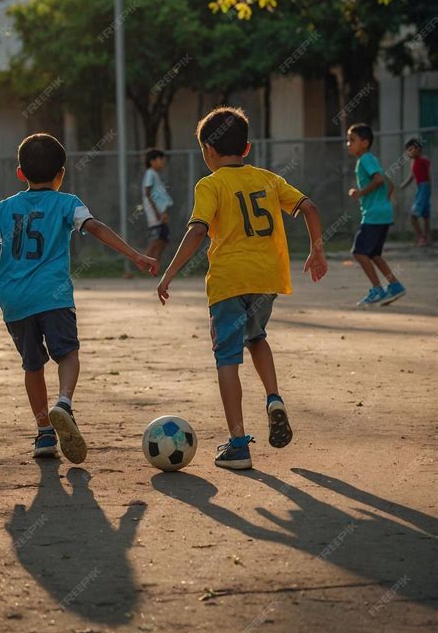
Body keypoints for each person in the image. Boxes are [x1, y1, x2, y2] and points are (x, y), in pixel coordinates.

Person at [156, 107, 328, 471]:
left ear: (208, 152)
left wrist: (169, 273)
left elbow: (198, 230)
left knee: (227, 359)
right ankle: (274, 398)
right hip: (267, 279)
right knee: (257, 338)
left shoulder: (210, 184)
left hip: (229, 281)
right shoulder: (268, 179)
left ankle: (238, 445)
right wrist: (317, 248)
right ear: (246, 148)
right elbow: (309, 207)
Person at [0, 133, 158, 463]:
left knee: (32, 365)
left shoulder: (4, 208)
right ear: (62, 173)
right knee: (67, 353)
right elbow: (96, 227)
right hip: (53, 296)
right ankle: (64, 402)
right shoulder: (68, 202)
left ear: (19, 173)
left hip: (14, 301)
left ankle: (44, 433)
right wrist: (135, 255)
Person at [347, 123, 406, 306]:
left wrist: (360, 193)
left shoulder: (365, 159)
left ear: (364, 143)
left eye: (352, 140)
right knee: (373, 254)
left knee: (358, 252)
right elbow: (389, 184)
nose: (348, 144)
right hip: (382, 214)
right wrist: (384, 203)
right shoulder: (371, 159)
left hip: (374, 215)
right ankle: (395, 286)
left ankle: (377, 289)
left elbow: (379, 180)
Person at [142, 149, 173, 262]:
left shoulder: (155, 174)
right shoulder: (150, 173)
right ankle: (143, 264)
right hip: (155, 213)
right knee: (156, 240)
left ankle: (154, 265)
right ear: (152, 161)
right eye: (160, 159)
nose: (163, 162)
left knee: (163, 240)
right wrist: (156, 213)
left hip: (160, 212)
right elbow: (147, 192)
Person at [400, 137, 432, 246]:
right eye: (408, 151)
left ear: (418, 150)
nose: (409, 153)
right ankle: (424, 238)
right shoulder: (413, 163)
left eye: (411, 150)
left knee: (413, 216)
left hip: (424, 189)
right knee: (425, 215)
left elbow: (429, 174)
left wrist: (427, 190)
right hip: (421, 189)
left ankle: (423, 237)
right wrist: (403, 185)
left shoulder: (424, 161)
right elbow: (412, 176)